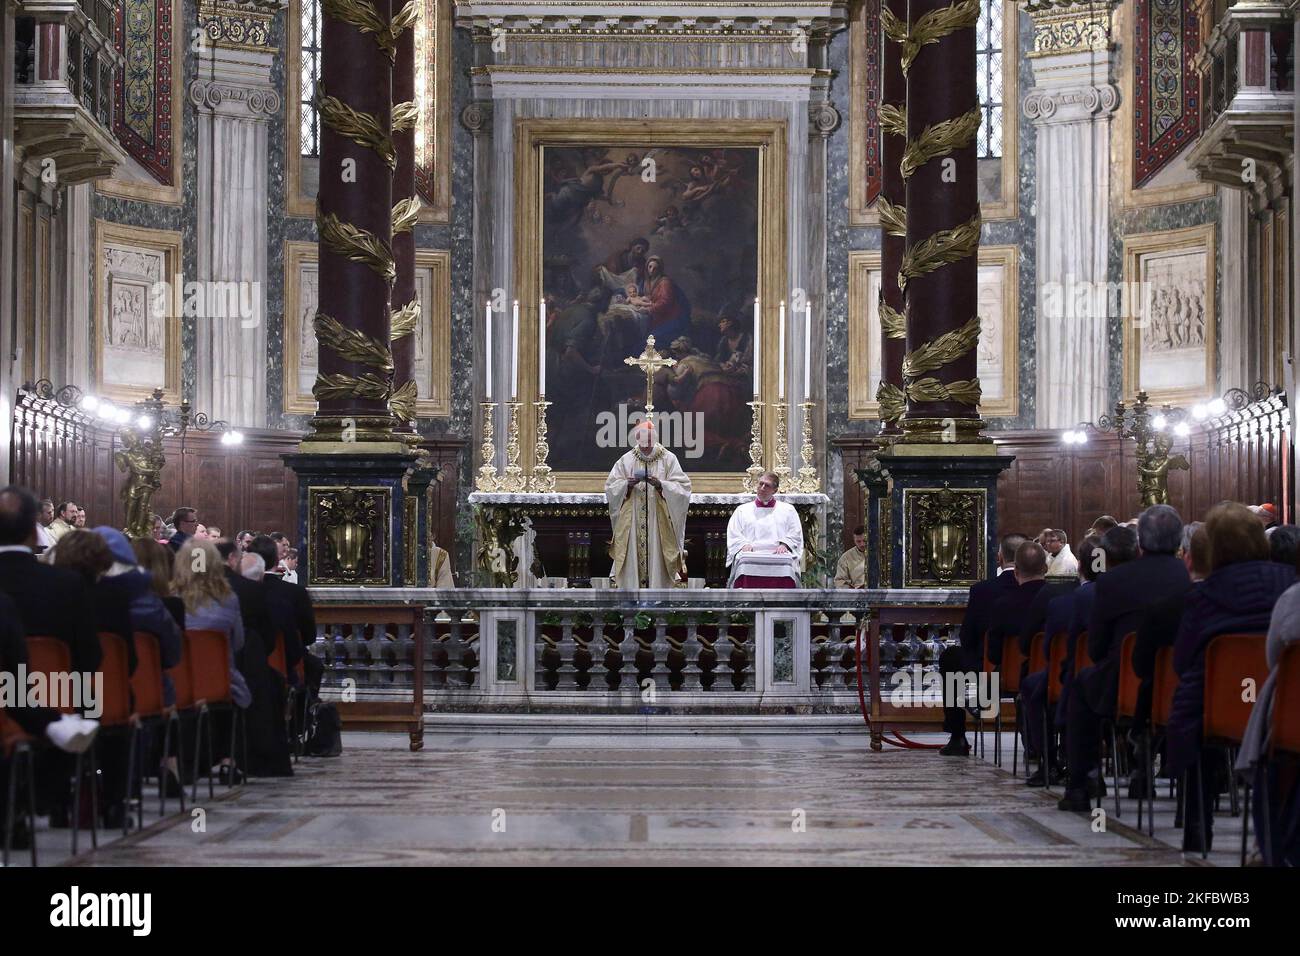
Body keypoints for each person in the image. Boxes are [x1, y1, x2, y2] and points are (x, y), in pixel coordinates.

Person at [1167, 502, 1294, 853]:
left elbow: (1182, 660)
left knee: (1192, 707)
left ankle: (1196, 826)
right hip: (1282, 711)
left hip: (1217, 709)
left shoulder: (1202, 595)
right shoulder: (1291, 584)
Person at [1059, 506, 1190, 812]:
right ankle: (1143, 768)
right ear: (1179, 543)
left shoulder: (1112, 582)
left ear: (1140, 542)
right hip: (1181, 683)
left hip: (1126, 681)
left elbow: (1096, 648)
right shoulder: (1187, 577)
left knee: (1081, 687)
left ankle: (1082, 782)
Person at [937, 532, 1026, 755]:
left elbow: (967, 636)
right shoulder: (1044, 591)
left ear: (999, 558)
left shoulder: (982, 590)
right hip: (1030, 668)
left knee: (950, 657)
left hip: (987, 668)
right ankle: (1036, 742)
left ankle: (957, 735)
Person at [173, 539, 251, 785]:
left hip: (179, 684)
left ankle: (175, 762)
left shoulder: (171, 598)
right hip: (219, 681)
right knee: (233, 692)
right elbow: (237, 642)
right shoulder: (228, 598)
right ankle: (228, 760)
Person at [604, 420, 691, 589]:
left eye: (648, 443)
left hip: (659, 522)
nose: (645, 447)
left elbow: (684, 488)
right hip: (632, 521)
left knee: (659, 559)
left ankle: (659, 601)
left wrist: (661, 485)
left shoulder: (668, 459)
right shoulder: (626, 459)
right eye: (641, 442)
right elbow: (611, 487)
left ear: (654, 439)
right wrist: (626, 485)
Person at [726, 471, 803, 588]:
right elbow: (734, 532)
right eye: (760, 484)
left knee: (787, 563)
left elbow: (795, 532)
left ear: (775, 490)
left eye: (767, 485)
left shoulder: (788, 510)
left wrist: (785, 544)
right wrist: (742, 544)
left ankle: (783, 603)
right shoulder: (742, 510)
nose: (762, 488)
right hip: (750, 553)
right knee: (744, 560)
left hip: (778, 553)